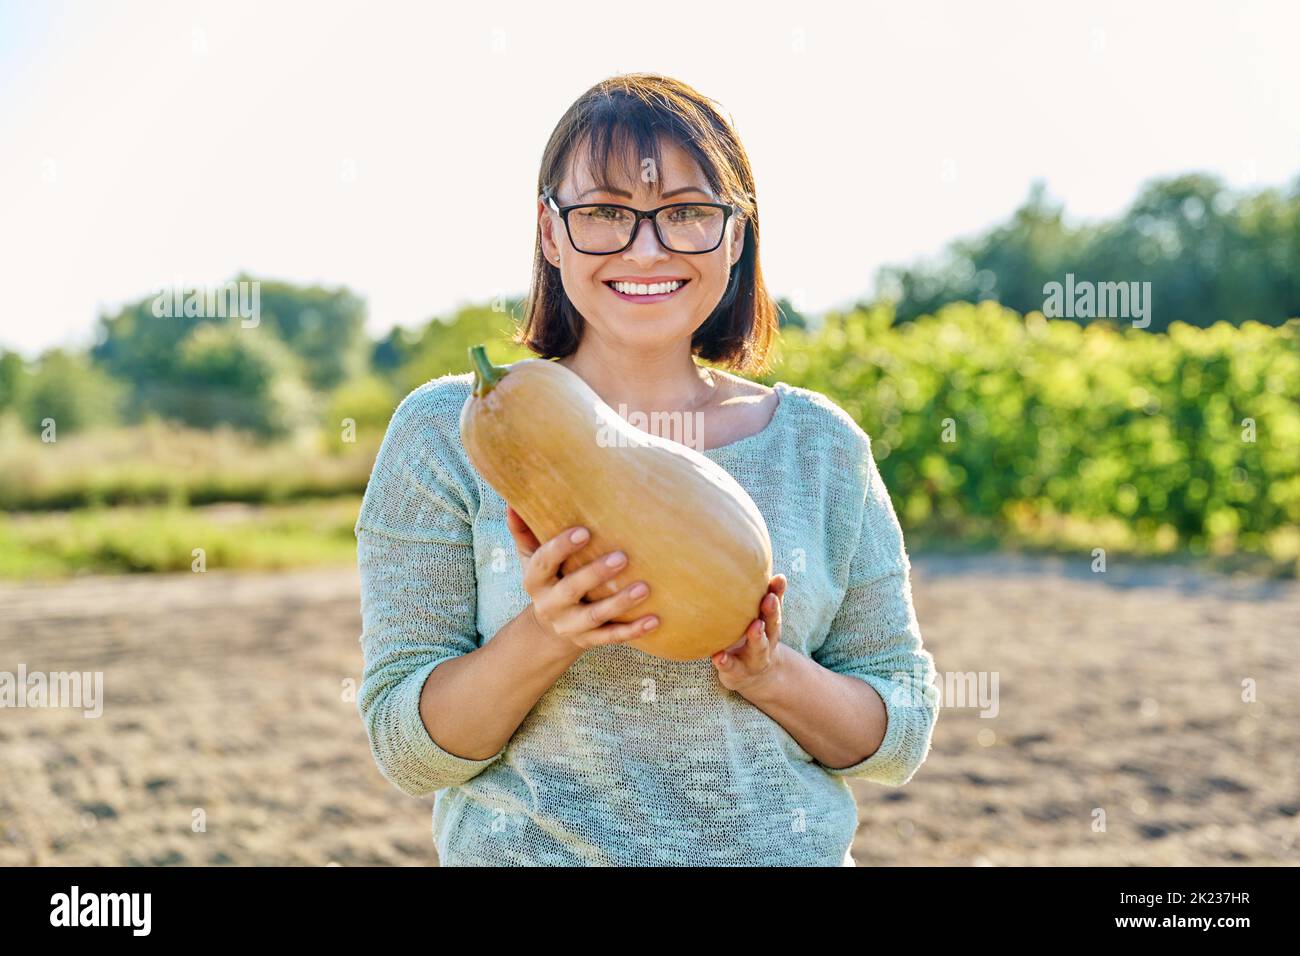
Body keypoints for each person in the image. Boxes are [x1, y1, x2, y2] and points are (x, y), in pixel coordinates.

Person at [355, 73, 939, 866]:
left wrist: (769, 673)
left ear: (736, 234)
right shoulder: (447, 433)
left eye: (688, 212)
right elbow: (406, 750)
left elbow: (897, 733)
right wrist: (550, 633)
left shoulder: (821, 449)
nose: (647, 248)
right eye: (604, 212)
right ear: (550, 233)